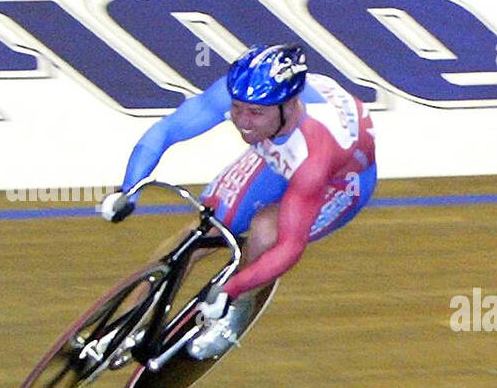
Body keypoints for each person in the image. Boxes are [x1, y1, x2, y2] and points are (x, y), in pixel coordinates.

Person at [99, 43, 377, 358]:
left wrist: (231, 290)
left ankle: (239, 309)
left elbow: (290, 247)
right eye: (237, 108)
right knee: (204, 229)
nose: (242, 121)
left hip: (338, 181)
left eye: (255, 113)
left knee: (265, 231)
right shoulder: (246, 93)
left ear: (288, 106)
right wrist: (129, 189)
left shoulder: (315, 151)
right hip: (276, 156)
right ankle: (126, 321)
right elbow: (168, 130)